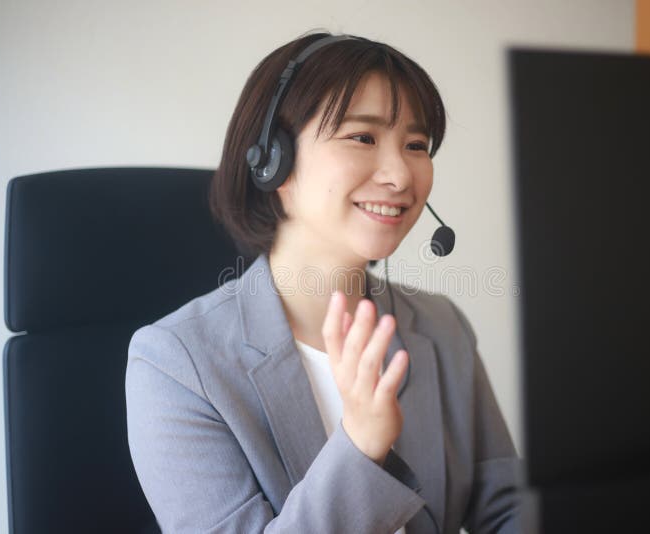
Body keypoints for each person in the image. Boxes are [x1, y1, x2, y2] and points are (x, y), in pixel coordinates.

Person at [125, 31, 519, 534]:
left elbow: (510, 509)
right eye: (363, 137)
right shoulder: (176, 365)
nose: (401, 175)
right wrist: (360, 445)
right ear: (273, 163)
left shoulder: (441, 326)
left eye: (416, 145)